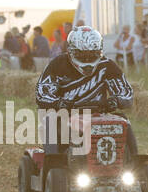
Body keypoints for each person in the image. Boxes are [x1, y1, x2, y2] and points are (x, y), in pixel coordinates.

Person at [34, 25, 135, 159]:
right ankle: (53, 163)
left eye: (91, 55)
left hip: (99, 113)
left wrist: (116, 100)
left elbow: (125, 92)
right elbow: (42, 92)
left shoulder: (107, 65)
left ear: (99, 51)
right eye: (82, 55)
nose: (87, 60)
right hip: (65, 114)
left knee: (123, 121)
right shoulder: (58, 64)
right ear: (71, 51)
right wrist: (58, 103)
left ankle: (133, 162)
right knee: (50, 120)